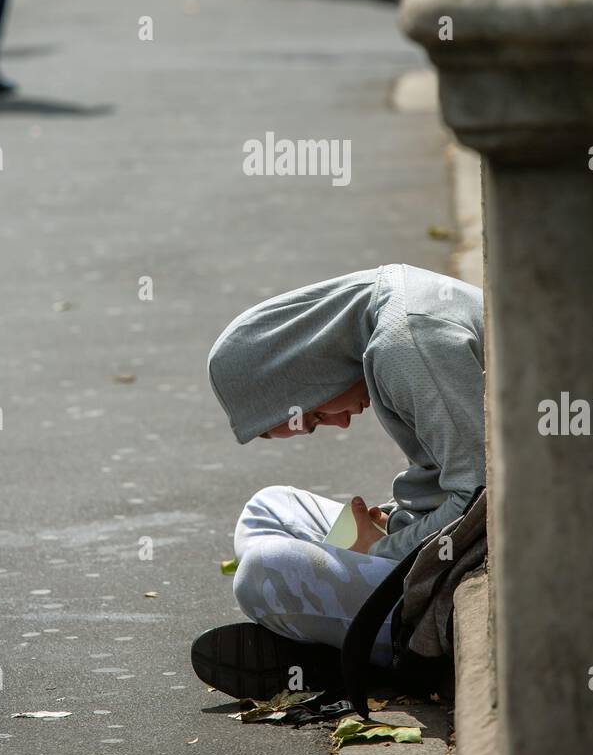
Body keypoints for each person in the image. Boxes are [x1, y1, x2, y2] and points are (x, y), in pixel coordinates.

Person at [191, 264, 485, 701]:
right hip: (449, 534)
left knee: (262, 572)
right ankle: (339, 634)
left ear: (304, 367)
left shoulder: (405, 345)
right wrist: (395, 520)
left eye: (312, 415)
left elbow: (480, 496)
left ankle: (383, 650)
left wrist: (378, 548)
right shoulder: (384, 313)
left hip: (471, 553)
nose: (342, 422)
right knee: (269, 505)